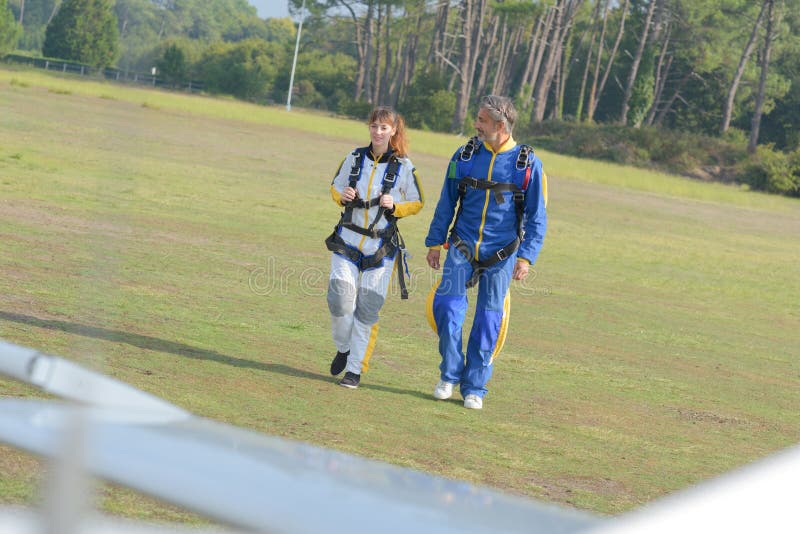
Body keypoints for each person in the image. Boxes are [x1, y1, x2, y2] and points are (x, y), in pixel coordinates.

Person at [425, 95, 547, 410]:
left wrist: (526, 256)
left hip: (502, 253)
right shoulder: (464, 155)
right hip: (462, 245)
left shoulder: (528, 163)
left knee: (489, 319)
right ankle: (449, 375)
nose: (476, 125)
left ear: (500, 125)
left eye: (481, 120)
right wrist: (435, 241)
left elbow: (537, 216)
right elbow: (446, 201)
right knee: (447, 306)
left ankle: (475, 387)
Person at [325, 106, 424, 389]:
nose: (377, 132)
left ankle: (354, 370)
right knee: (339, 300)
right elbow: (335, 185)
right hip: (347, 240)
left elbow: (417, 202)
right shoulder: (354, 158)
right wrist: (341, 196)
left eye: (383, 127)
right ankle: (344, 348)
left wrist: (396, 206)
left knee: (367, 309)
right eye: (374, 126)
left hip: (380, 247)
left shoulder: (404, 167)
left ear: (393, 131)